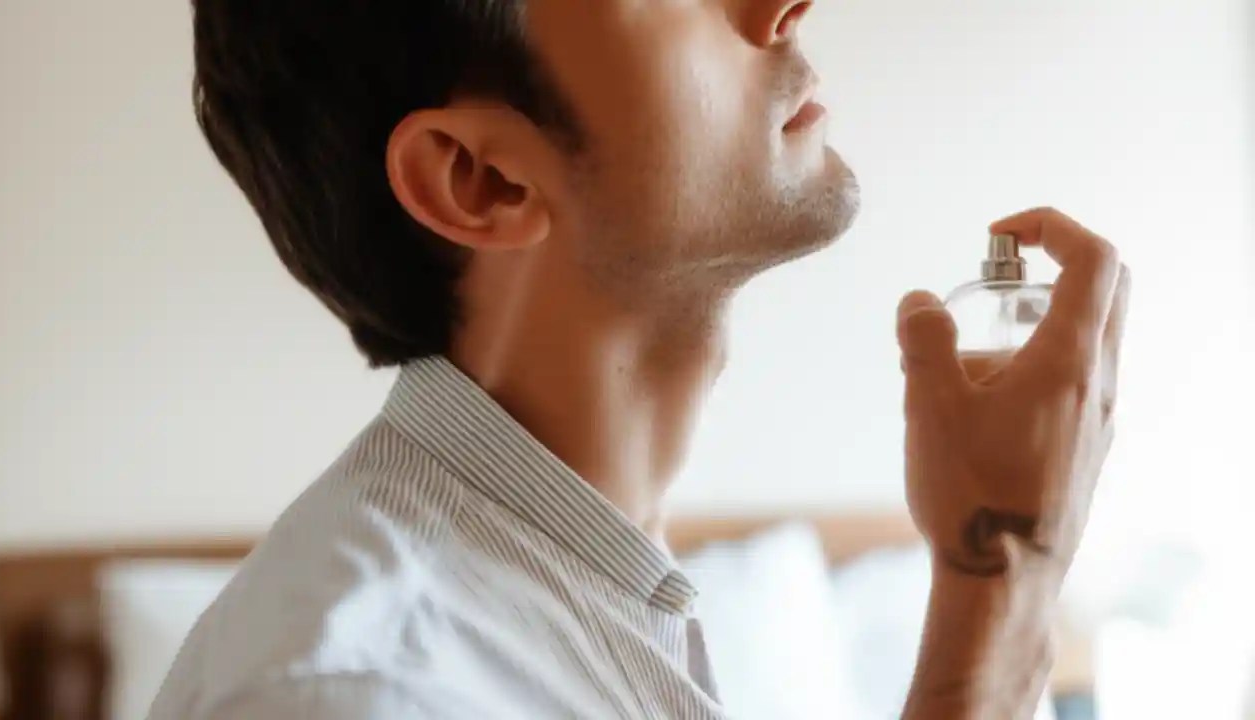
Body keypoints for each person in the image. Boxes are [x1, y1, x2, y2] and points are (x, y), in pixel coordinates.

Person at [152, 0, 1130, 718]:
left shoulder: (626, 598)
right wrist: (1002, 579)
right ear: (481, 180)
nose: (785, 5)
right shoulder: (364, 693)